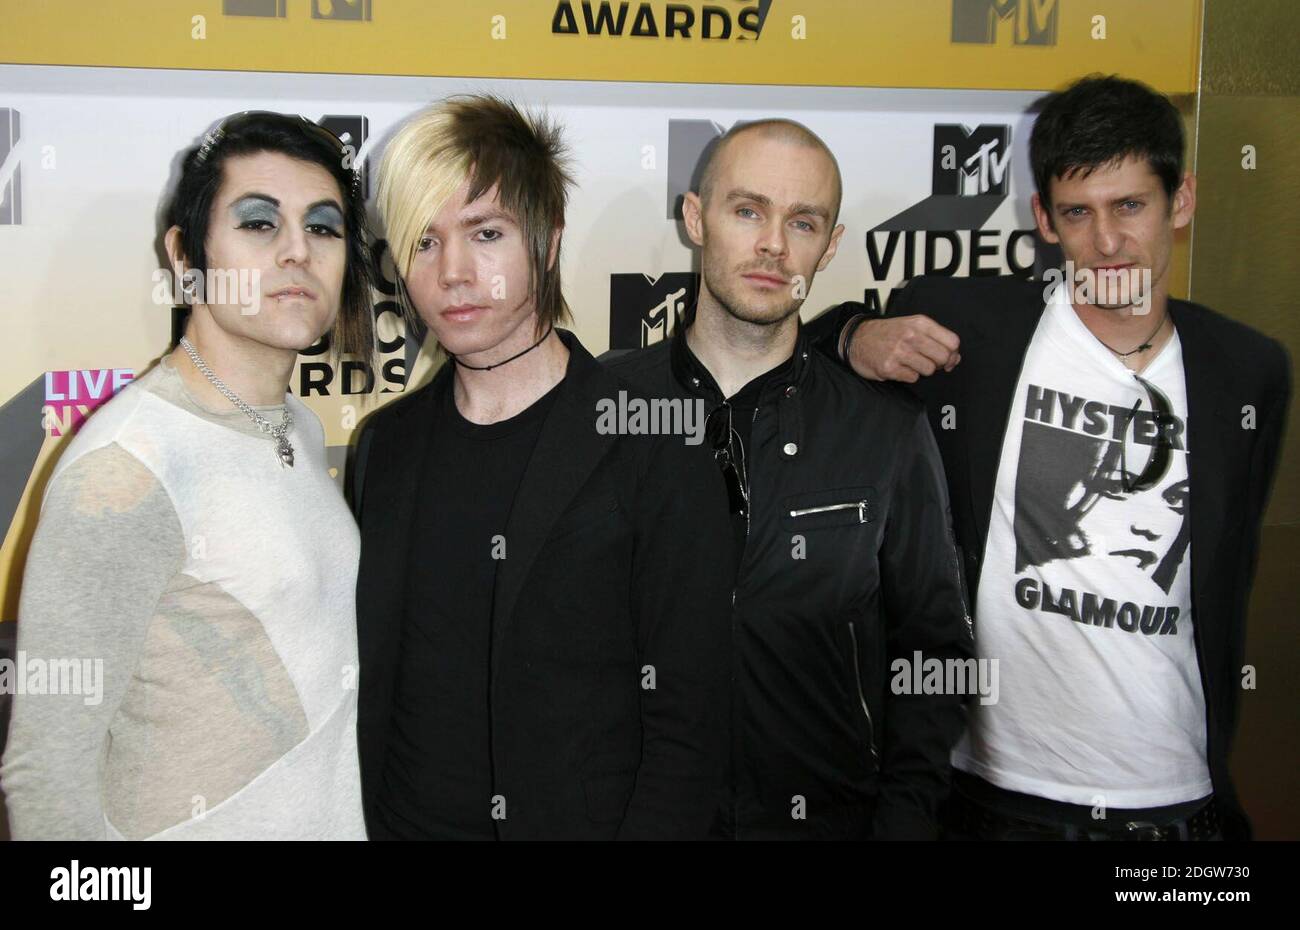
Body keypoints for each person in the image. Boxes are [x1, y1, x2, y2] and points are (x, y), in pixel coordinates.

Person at [815, 75, 1292, 840]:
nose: (1106, 242)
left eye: (1130, 206)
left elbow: (1230, 572)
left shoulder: (1245, 370)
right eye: (1079, 213)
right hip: (985, 795)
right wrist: (852, 335)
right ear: (1043, 218)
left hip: (1173, 803)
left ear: (1184, 201)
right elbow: (805, 353)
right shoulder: (971, 327)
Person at [351, 95, 731, 840]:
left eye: (485, 233)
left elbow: (692, 725)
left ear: (548, 241)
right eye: (423, 242)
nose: (454, 273)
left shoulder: (655, 440)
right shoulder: (384, 447)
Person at [0, 111, 375, 839]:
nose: (298, 251)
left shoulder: (293, 423)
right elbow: (46, 773)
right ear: (184, 254)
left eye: (324, 227)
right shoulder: (128, 469)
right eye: (260, 224)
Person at [606, 119, 974, 840]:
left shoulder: (887, 433)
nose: (773, 244)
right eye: (747, 211)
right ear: (694, 218)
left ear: (830, 246)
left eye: (802, 222)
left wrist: (903, 822)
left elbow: (936, 655)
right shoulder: (603, 408)